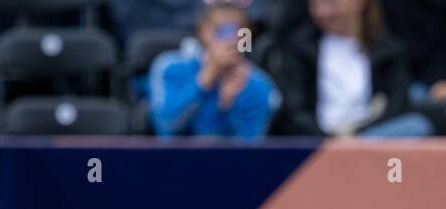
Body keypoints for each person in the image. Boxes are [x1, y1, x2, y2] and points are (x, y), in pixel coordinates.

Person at [267, 0, 413, 135]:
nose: (321, 13)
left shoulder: (388, 52)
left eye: (331, 3)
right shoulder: (299, 49)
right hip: (316, 141)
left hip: (369, 139)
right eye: (315, 5)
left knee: (414, 125)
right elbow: (293, 109)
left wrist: (355, 135)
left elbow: (397, 107)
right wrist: (327, 137)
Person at [149, 0, 278, 139]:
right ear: (202, 30)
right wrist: (203, 83)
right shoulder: (169, 68)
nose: (230, 40)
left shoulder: (259, 85)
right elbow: (167, 127)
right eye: (220, 30)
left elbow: (251, 145)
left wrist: (227, 105)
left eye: (238, 31)